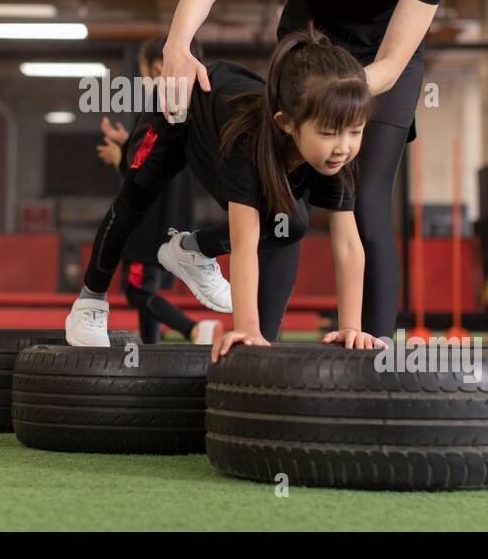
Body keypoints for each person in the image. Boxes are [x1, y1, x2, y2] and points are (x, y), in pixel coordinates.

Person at [157, 0, 458, 343]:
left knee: (365, 203)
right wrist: (178, 42)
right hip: (307, 53)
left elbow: (394, 58)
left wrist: (337, 101)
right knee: (281, 207)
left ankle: (374, 352)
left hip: (380, 70)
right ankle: (256, 346)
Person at [67, 27, 383, 360]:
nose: (344, 146)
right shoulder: (250, 140)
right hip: (182, 111)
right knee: (135, 200)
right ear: (286, 122)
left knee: (291, 224)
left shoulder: (340, 156)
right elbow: (245, 243)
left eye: (356, 131)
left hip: (222, 138)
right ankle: (90, 300)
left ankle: (192, 251)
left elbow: (348, 244)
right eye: (330, 133)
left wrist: (351, 325)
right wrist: (248, 328)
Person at [95, 34, 221, 346]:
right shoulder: (191, 109)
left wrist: (119, 157)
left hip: (148, 226)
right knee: (148, 290)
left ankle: (193, 328)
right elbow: (156, 160)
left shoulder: (159, 103)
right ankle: (151, 352)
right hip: (171, 224)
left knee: (137, 291)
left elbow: (141, 172)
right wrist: (127, 144)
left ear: (156, 67)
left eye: (142, 69)